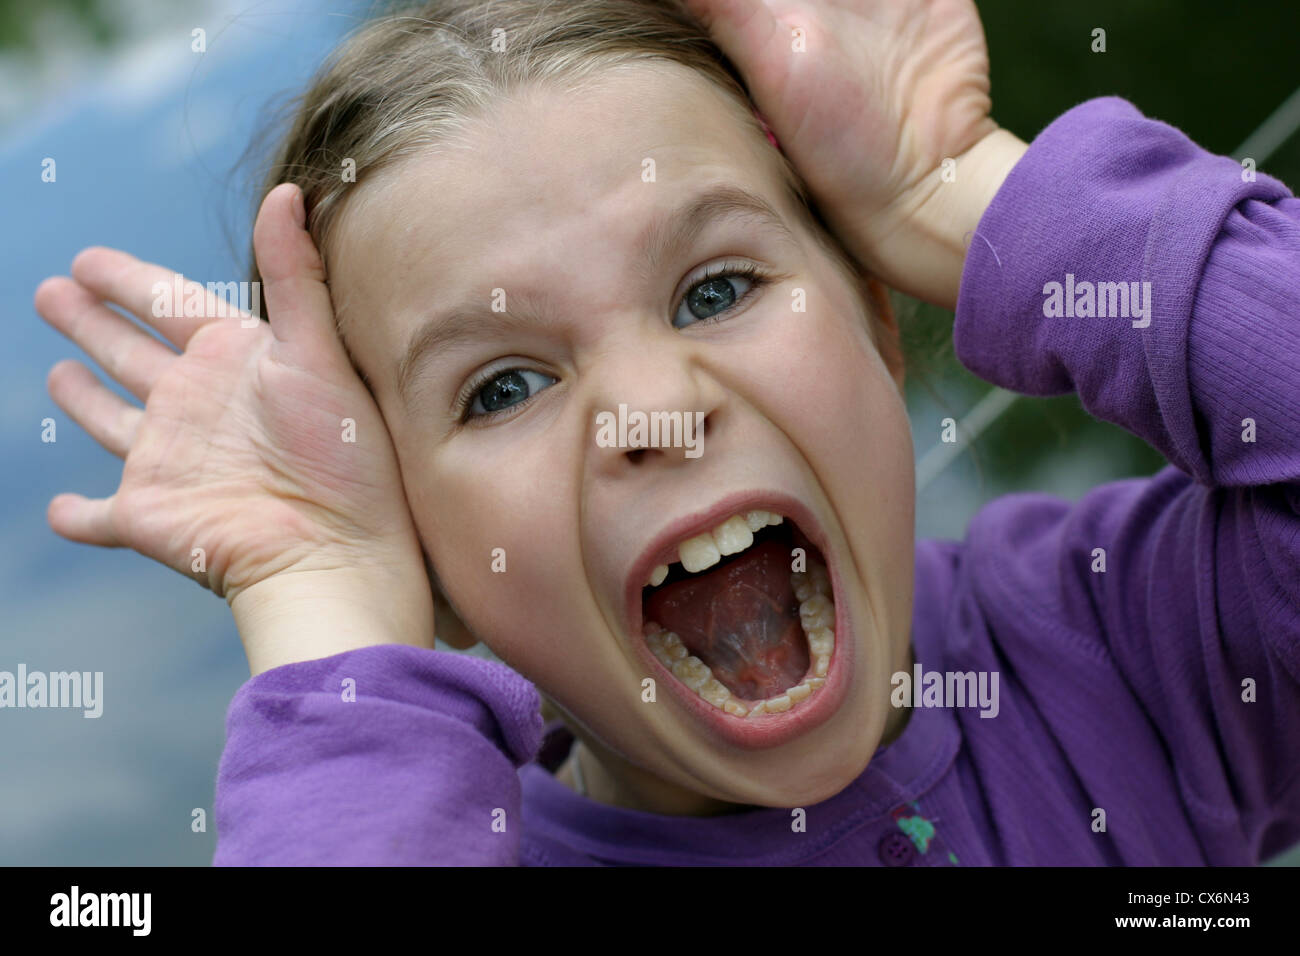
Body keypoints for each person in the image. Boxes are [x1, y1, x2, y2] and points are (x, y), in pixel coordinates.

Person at [34, 0, 1300, 865]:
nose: (651, 405)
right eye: (502, 386)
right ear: (429, 569)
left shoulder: (1119, 649)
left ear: (871, 320)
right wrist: (330, 616)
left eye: (716, 290)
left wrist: (963, 189)